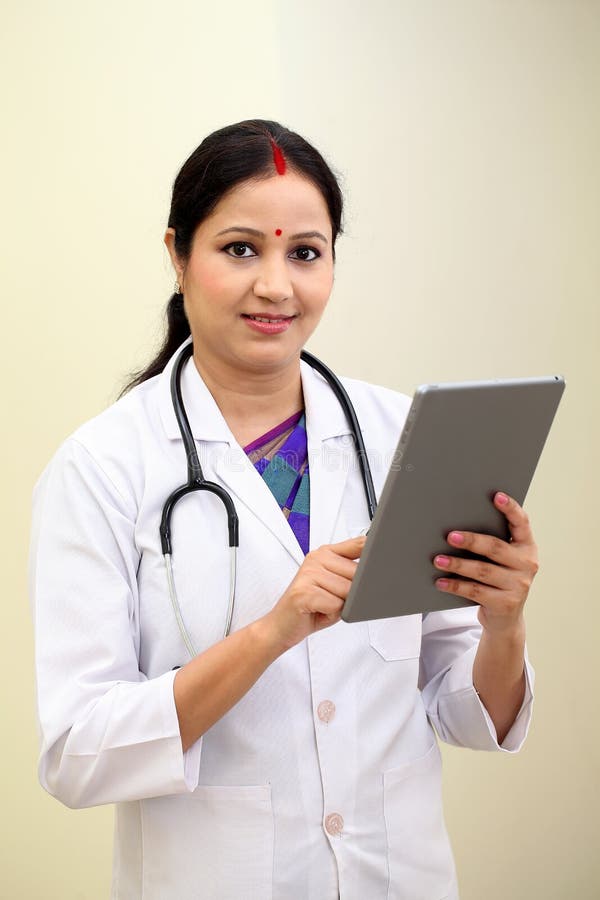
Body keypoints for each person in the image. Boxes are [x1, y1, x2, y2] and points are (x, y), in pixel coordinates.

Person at [30, 119, 538, 900]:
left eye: (305, 252)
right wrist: (272, 633)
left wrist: (503, 623)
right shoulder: (103, 467)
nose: (276, 286)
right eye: (240, 249)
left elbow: (470, 716)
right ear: (177, 256)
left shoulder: (405, 436)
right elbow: (77, 754)